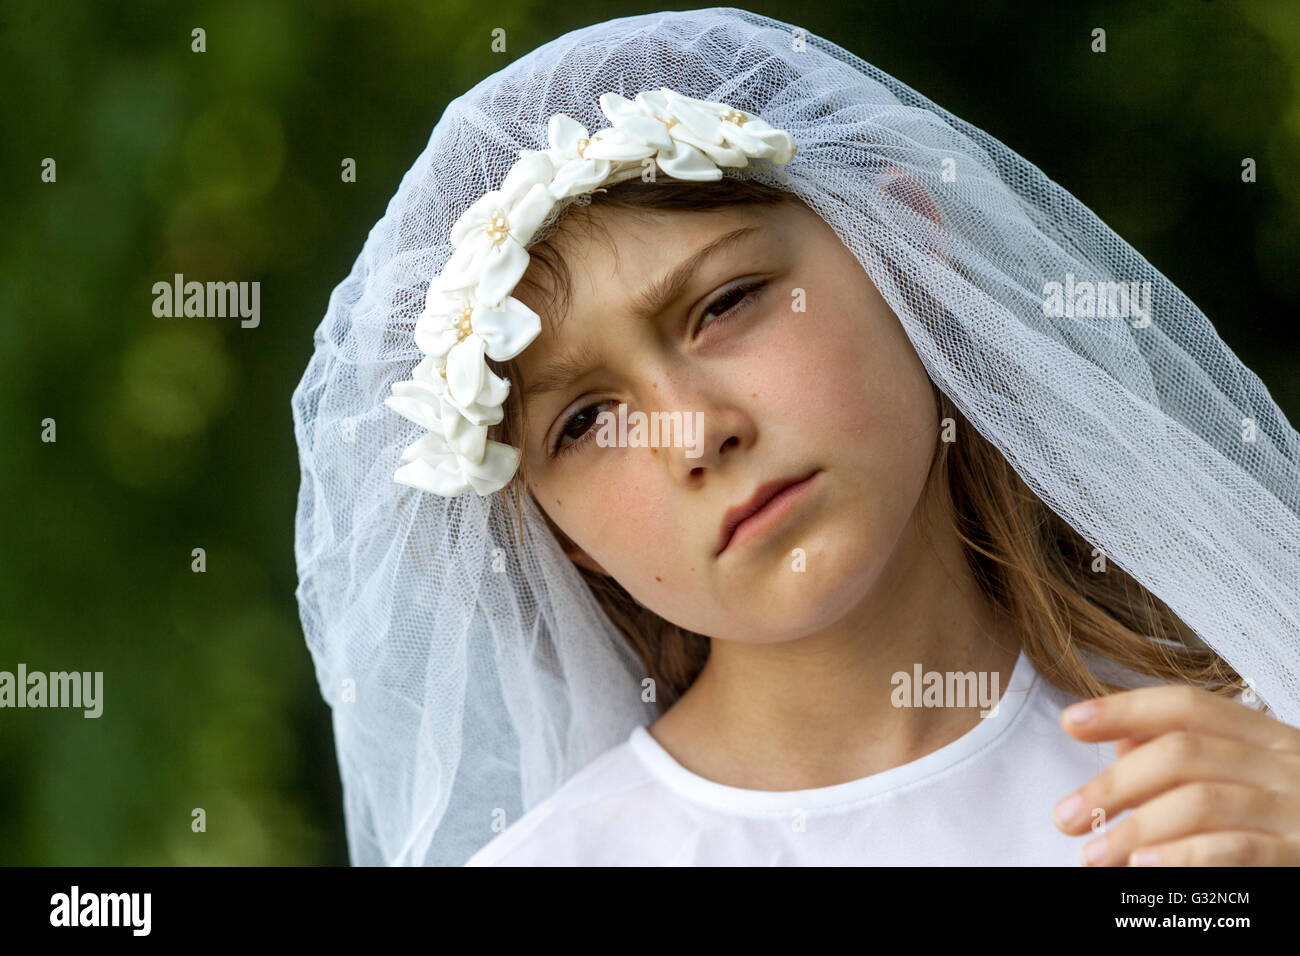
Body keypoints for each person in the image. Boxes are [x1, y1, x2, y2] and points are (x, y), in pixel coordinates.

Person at [291, 7, 1300, 867]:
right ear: (560, 533)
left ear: (909, 253)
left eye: (724, 303)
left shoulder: (1243, 760)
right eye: (585, 419)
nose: (696, 432)